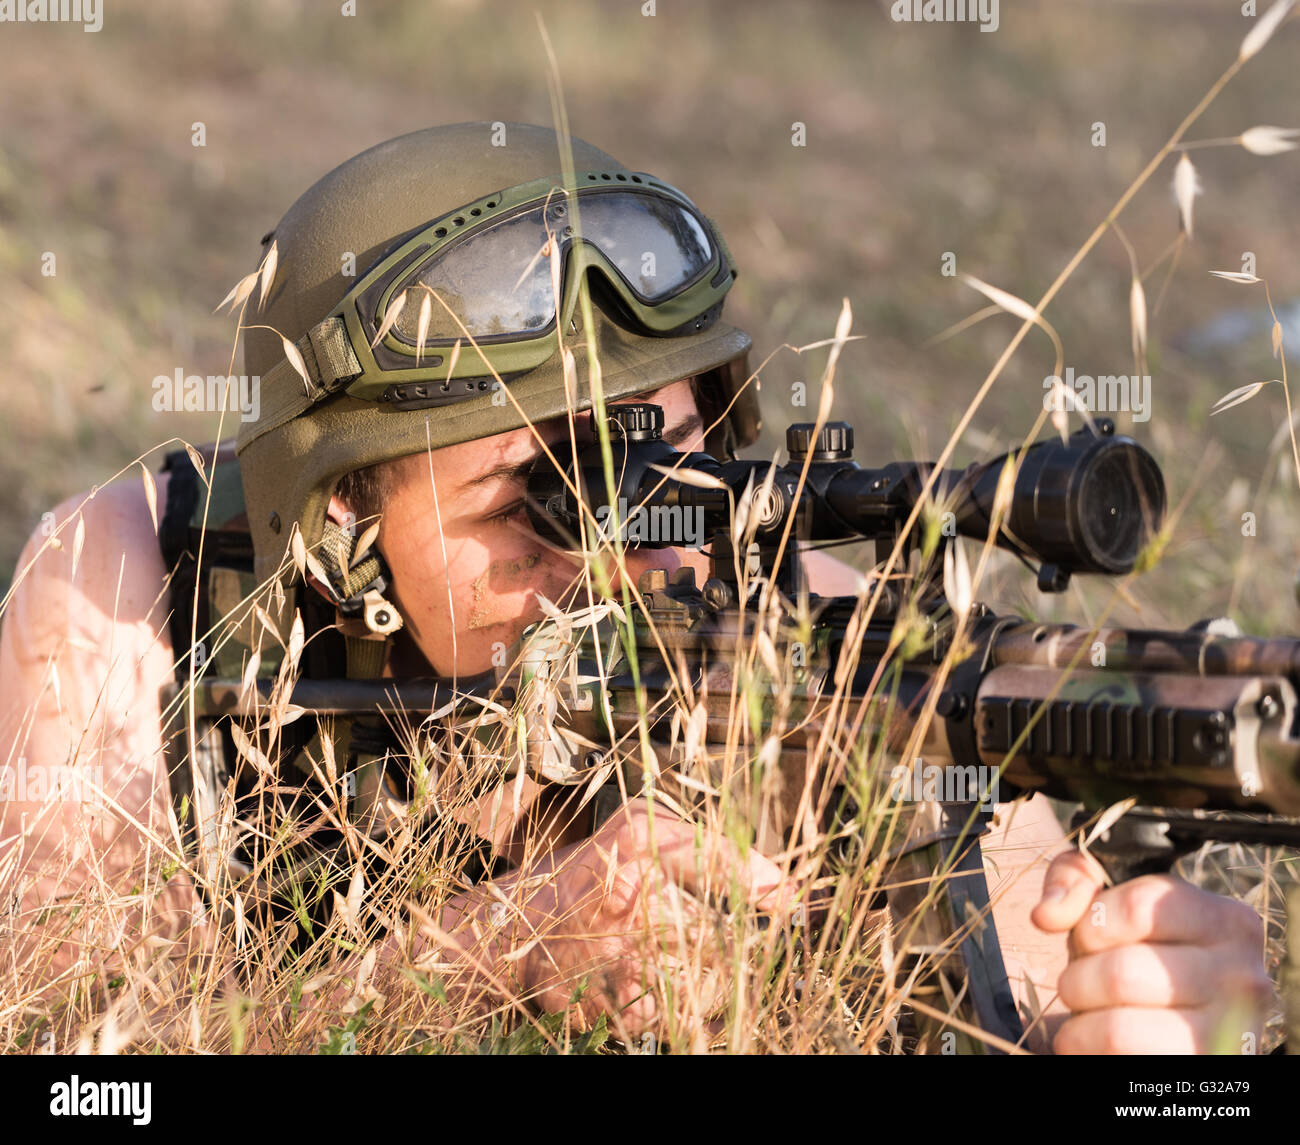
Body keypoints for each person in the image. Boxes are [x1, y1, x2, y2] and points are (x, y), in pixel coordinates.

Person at [0, 123, 1271, 1054]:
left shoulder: (812, 637)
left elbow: (1076, 989)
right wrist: (472, 964)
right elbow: (74, 1065)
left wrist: (1159, 1053)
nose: (624, 561)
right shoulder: (137, 588)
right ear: (341, 505)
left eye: (672, 478)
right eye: (539, 508)